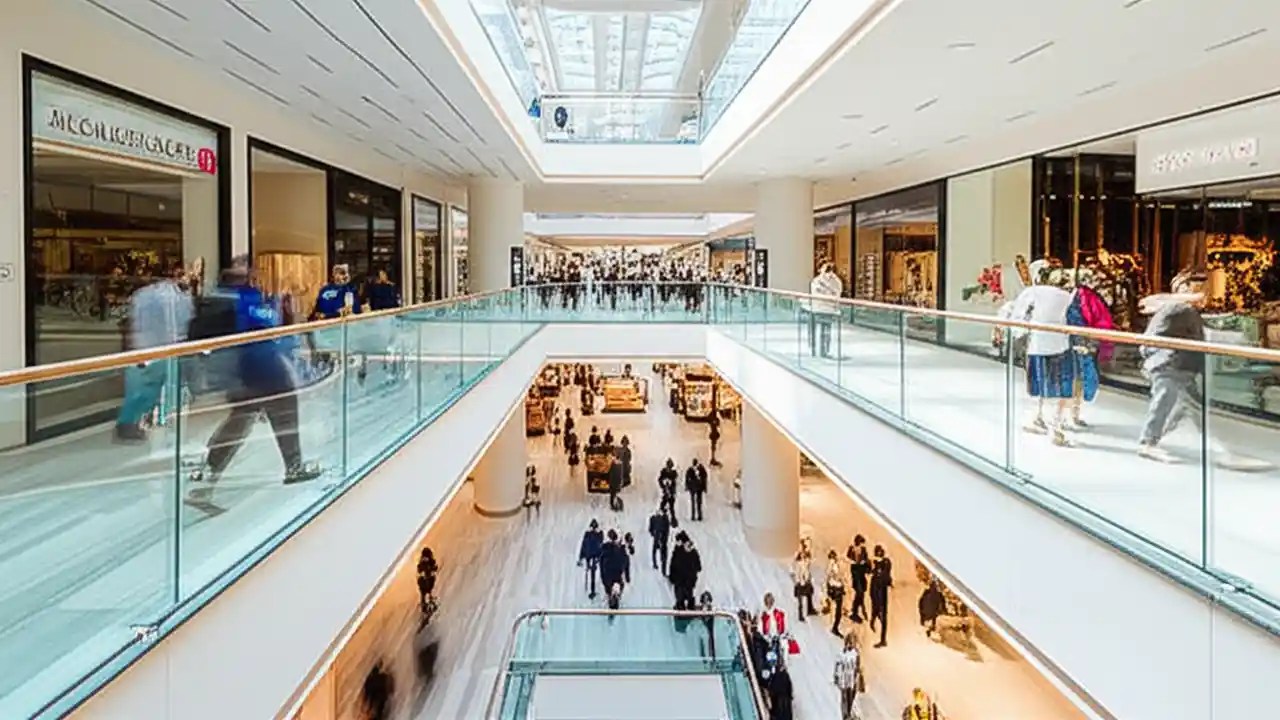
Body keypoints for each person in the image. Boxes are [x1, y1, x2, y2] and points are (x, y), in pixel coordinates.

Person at [187, 263, 322, 511]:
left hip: (241, 371)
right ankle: (293, 466)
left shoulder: (220, 300)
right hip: (263, 367)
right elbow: (268, 330)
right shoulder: (247, 300)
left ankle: (207, 476)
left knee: (240, 421)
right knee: (284, 413)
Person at [1136, 270, 1257, 469]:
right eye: (1196, 287)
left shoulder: (1180, 309)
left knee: (1187, 408)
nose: (1203, 293)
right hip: (1170, 366)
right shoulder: (1178, 308)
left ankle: (1157, 440)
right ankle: (1148, 442)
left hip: (1179, 367)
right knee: (1168, 402)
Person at [115, 261, 194, 441]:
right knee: (153, 387)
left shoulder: (141, 295)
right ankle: (139, 422)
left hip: (143, 347)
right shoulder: (176, 296)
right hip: (162, 347)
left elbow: (132, 323)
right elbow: (182, 322)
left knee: (141, 389)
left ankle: (132, 423)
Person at [1009, 261, 1075, 447]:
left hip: (1038, 343)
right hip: (1060, 342)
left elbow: (1019, 316)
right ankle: (1056, 422)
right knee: (1060, 383)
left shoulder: (1032, 293)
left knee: (1038, 383)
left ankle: (1038, 417)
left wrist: (1018, 335)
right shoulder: (1066, 295)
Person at [808, 261, 843, 358]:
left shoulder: (836, 281)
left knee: (827, 329)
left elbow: (837, 294)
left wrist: (828, 294)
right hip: (818, 308)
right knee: (821, 329)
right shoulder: (816, 281)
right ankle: (816, 350)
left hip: (829, 309)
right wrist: (828, 294)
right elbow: (817, 294)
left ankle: (825, 350)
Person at [833, 633, 864, 720]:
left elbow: (857, 665)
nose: (851, 644)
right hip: (845, 676)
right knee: (846, 695)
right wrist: (836, 675)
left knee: (852, 695)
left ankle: (849, 712)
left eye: (852, 642)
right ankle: (847, 714)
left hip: (852, 676)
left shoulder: (856, 653)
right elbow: (838, 664)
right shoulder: (843, 653)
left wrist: (858, 675)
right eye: (849, 642)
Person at [669, 531, 701, 610]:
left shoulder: (684, 551)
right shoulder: (679, 550)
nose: (677, 542)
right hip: (684, 579)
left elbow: (674, 564)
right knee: (685, 596)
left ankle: (683, 611)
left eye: (678, 541)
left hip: (684, 579)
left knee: (683, 596)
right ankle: (686, 610)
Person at [599, 529, 630, 609]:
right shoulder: (620, 549)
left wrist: (602, 574)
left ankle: (612, 600)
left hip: (608, 574)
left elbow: (601, 562)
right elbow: (626, 561)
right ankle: (615, 599)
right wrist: (627, 575)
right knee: (618, 585)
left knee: (609, 588)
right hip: (616, 573)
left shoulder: (605, 548)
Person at [869, 545, 892, 648]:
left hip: (881, 593)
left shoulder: (886, 563)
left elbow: (885, 576)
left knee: (882, 614)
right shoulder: (876, 564)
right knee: (876, 610)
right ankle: (873, 622)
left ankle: (883, 639)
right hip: (876, 592)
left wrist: (878, 568)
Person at [790, 538, 817, 621]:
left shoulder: (805, 559)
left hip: (805, 579)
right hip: (799, 581)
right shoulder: (797, 561)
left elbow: (808, 565)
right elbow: (794, 571)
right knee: (800, 600)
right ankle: (800, 615)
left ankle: (810, 609)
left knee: (809, 594)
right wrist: (797, 580)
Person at [578, 519, 604, 600]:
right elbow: (600, 546)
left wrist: (581, 557)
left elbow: (584, 545)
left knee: (591, 573)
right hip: (593, 556)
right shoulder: (598, 535)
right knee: (592, 573)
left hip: (590, 556)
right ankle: (592, 590)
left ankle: (592, 590)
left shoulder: (589, 534)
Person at [846, 534, 870, 623]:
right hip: (856, 574)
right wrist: (856, 563)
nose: (861, 545)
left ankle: (858, 610)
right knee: (859, 592)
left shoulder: (863, 550)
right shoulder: (851, 549)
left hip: (861, 573)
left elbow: (866, 559)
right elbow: (848, 558)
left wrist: (864, 563)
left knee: (861, 592)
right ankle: (856, 611)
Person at [825, 549, 847, 638]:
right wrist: (838, 584)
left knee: (838, 610)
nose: (835, 558)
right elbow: (831, 578)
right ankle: (834, 627)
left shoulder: (833, 565)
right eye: (834, 556)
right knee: (837, 611)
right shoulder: (832, 565)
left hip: (836, 589)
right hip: (836, 589)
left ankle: (835, 626)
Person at [648, 503, 671, 574]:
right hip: (660, 537)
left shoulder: (655, 518)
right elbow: (667, 530)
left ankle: (657, 564)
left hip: (659, 536)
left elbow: (651, 528)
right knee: (661, 551)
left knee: (656, 550)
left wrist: (653, 533)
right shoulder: (664, 519)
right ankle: (660, 565)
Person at [416, 547, 439, 616]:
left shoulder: (421, 561)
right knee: (428, 590)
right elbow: (434, 567)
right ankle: (429, 600)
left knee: (423, 592)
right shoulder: (429, 560)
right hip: (428, 579)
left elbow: (419, 570)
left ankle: (424, 604)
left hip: (423, 580)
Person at [685, 457, 708, 522]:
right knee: (698, 502)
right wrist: (704, 487)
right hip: (697, 487)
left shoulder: (692, 469)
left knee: (695, 502)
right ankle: (697, 516)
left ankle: (695, 516)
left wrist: (687, 486)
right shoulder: (700, 469)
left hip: (694, 488)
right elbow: (704, 479)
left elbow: (687, 479)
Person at [658, 458, 679, 523]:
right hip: (667, 491)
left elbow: (674, 482)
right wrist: (663, 486)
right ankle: (663, 518)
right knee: (663, 505)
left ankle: (672, 520)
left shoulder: (673, 473)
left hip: (671, 492)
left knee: (671, 507)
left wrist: (669, 484)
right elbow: (660, 480)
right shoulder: (664, 472)